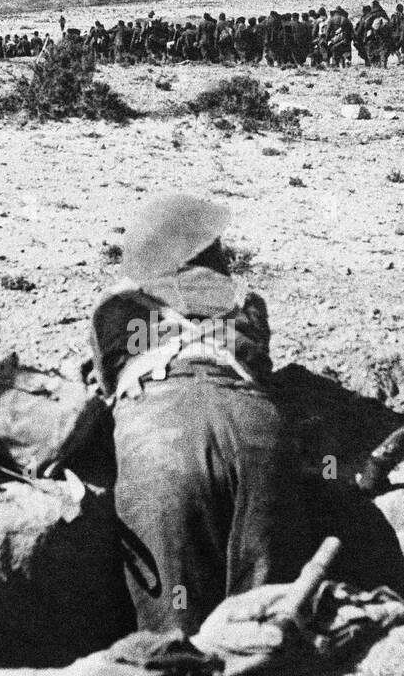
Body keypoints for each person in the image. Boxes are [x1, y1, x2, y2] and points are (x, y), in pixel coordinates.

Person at [88, 195, 305, 634]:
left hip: (164, 443)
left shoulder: (115, 306)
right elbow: (259, 366)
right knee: (261, 622)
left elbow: (107, 384)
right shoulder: (248, 302)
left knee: (171, 622)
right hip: (257, 430)